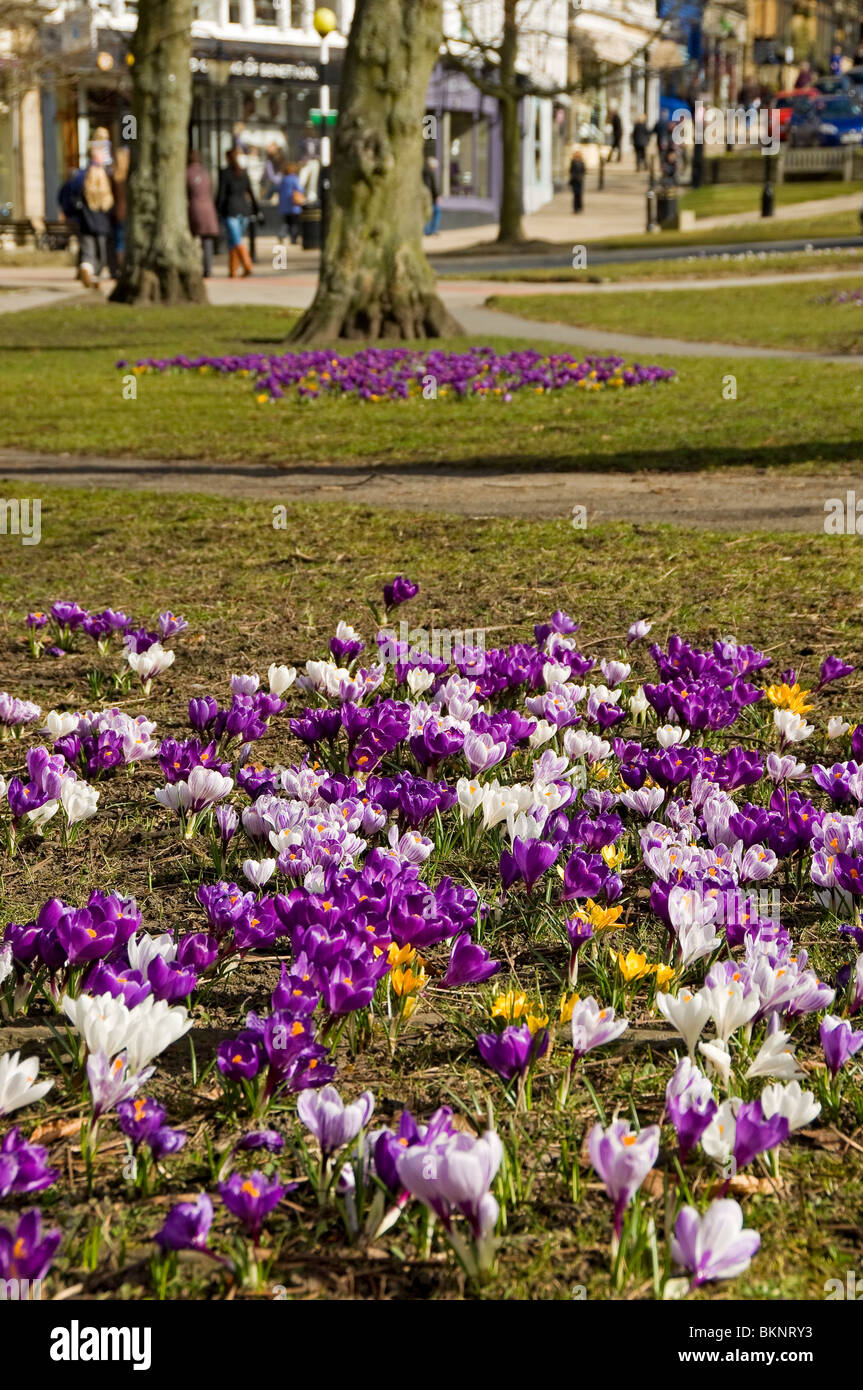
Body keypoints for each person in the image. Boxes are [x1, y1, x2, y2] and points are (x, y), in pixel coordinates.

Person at [68, 142, 114, 288]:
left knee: (88, 251)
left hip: (86, 221)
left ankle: (86, 269)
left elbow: (69, 197)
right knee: (101, 253)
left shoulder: (81, 177)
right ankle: (93, 275)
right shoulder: (106, 176)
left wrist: (75, 214)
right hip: (102, 223)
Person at [216, 145, 258, 276]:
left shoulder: (226, 173)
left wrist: (217, 209)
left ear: (228, 158)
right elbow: (251, 192)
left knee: (236, 240)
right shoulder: (243, 173)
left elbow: (221, 194)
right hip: (243, 210)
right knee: (233, 240)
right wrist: (256, 208)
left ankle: (247, 265)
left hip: (231, 210)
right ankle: (232, 270)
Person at [187, 150, 220, 278]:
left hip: (194, 209)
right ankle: (208, 269)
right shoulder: (206, 173)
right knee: (207, 241)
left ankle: (192, 267)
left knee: (191, 239)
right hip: (208, 209)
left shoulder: (187, 173)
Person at [108, 145, 129, 277]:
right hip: (126, 212)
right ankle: (123, 268)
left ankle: (116, 268)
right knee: (122, 242)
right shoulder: (128, 176)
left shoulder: (113, 175)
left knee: (117, 242)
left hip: (115, 212)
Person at [276, 160, 304, 244]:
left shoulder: (283, 179)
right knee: (294, 223)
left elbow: (279, 190)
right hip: (293, 205)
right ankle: (293, 239)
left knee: (286, 222)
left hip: (284, 206)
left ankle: (281, 234)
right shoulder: (294, 179)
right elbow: (300, 189)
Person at [423, 155, 441, 235]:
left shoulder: (423, 171)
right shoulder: (431, 172)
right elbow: (433, 186)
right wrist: (436, 196)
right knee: (436, 212)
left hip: (424, 197)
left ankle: (427, 231)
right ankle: (433, 230)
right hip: (431, 197)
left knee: (426, 213)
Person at [568, 145, 586, 212]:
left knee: (579, 195)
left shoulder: (581, 162)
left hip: (579, 180)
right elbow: (570, 171)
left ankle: (579, 207)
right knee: (575, 195)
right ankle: (576, 208)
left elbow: (584, 171)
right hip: (575, 180)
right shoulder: (573, 162)